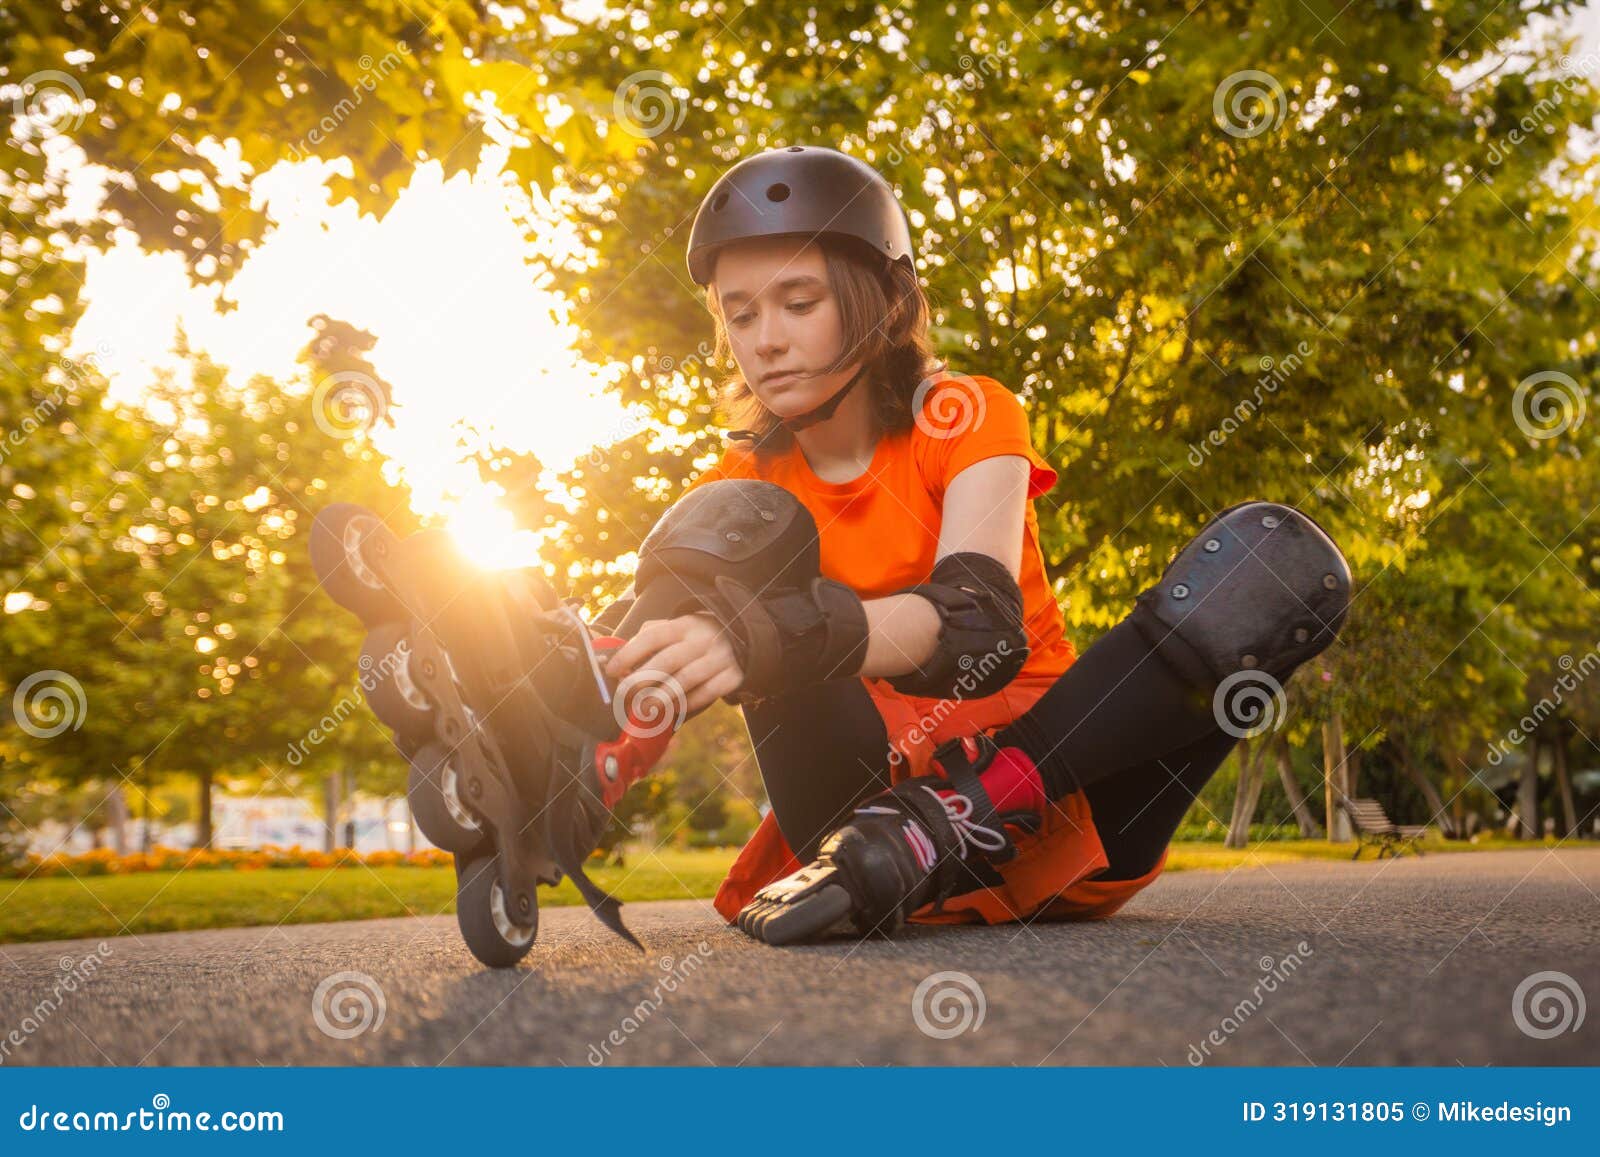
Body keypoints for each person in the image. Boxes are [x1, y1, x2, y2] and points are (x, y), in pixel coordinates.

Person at [581, 145, 1352, 945]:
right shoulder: (743, 479)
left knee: (1271, 566)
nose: (765, 339)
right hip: (857, 840)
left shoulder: (966, 413)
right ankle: (568, 773)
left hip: (1063, 789)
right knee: (725, 577)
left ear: (879, 300)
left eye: (798, 302)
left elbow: (976, 622)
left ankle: (953, 814)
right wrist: (552, 727)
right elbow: (646, 636)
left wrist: (774, 635)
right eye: (740, 314)